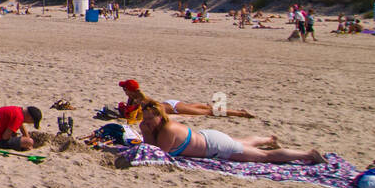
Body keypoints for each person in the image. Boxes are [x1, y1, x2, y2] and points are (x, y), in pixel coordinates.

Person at [133, 99, 323, 164]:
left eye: (150, 118)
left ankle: (308, 154)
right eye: (145, 118)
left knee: (265, 156)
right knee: (242, 143)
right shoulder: (160, 126)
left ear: (160, 116)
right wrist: (146, 128)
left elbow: (156, 153)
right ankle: (269, 138)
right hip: (209, 137)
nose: (147, 122)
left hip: (215, 146)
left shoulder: (167, 129)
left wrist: (146, 133)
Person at [117, 78, 254, 118]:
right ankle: (237, 111)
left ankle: (240, 113)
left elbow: (133, 114)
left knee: (209, 112)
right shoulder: (133, 99)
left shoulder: (142, 99)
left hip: (174, 108)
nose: (123, 91)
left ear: (130, 90)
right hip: (171, 104)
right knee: (206, 107)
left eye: (125, 89)